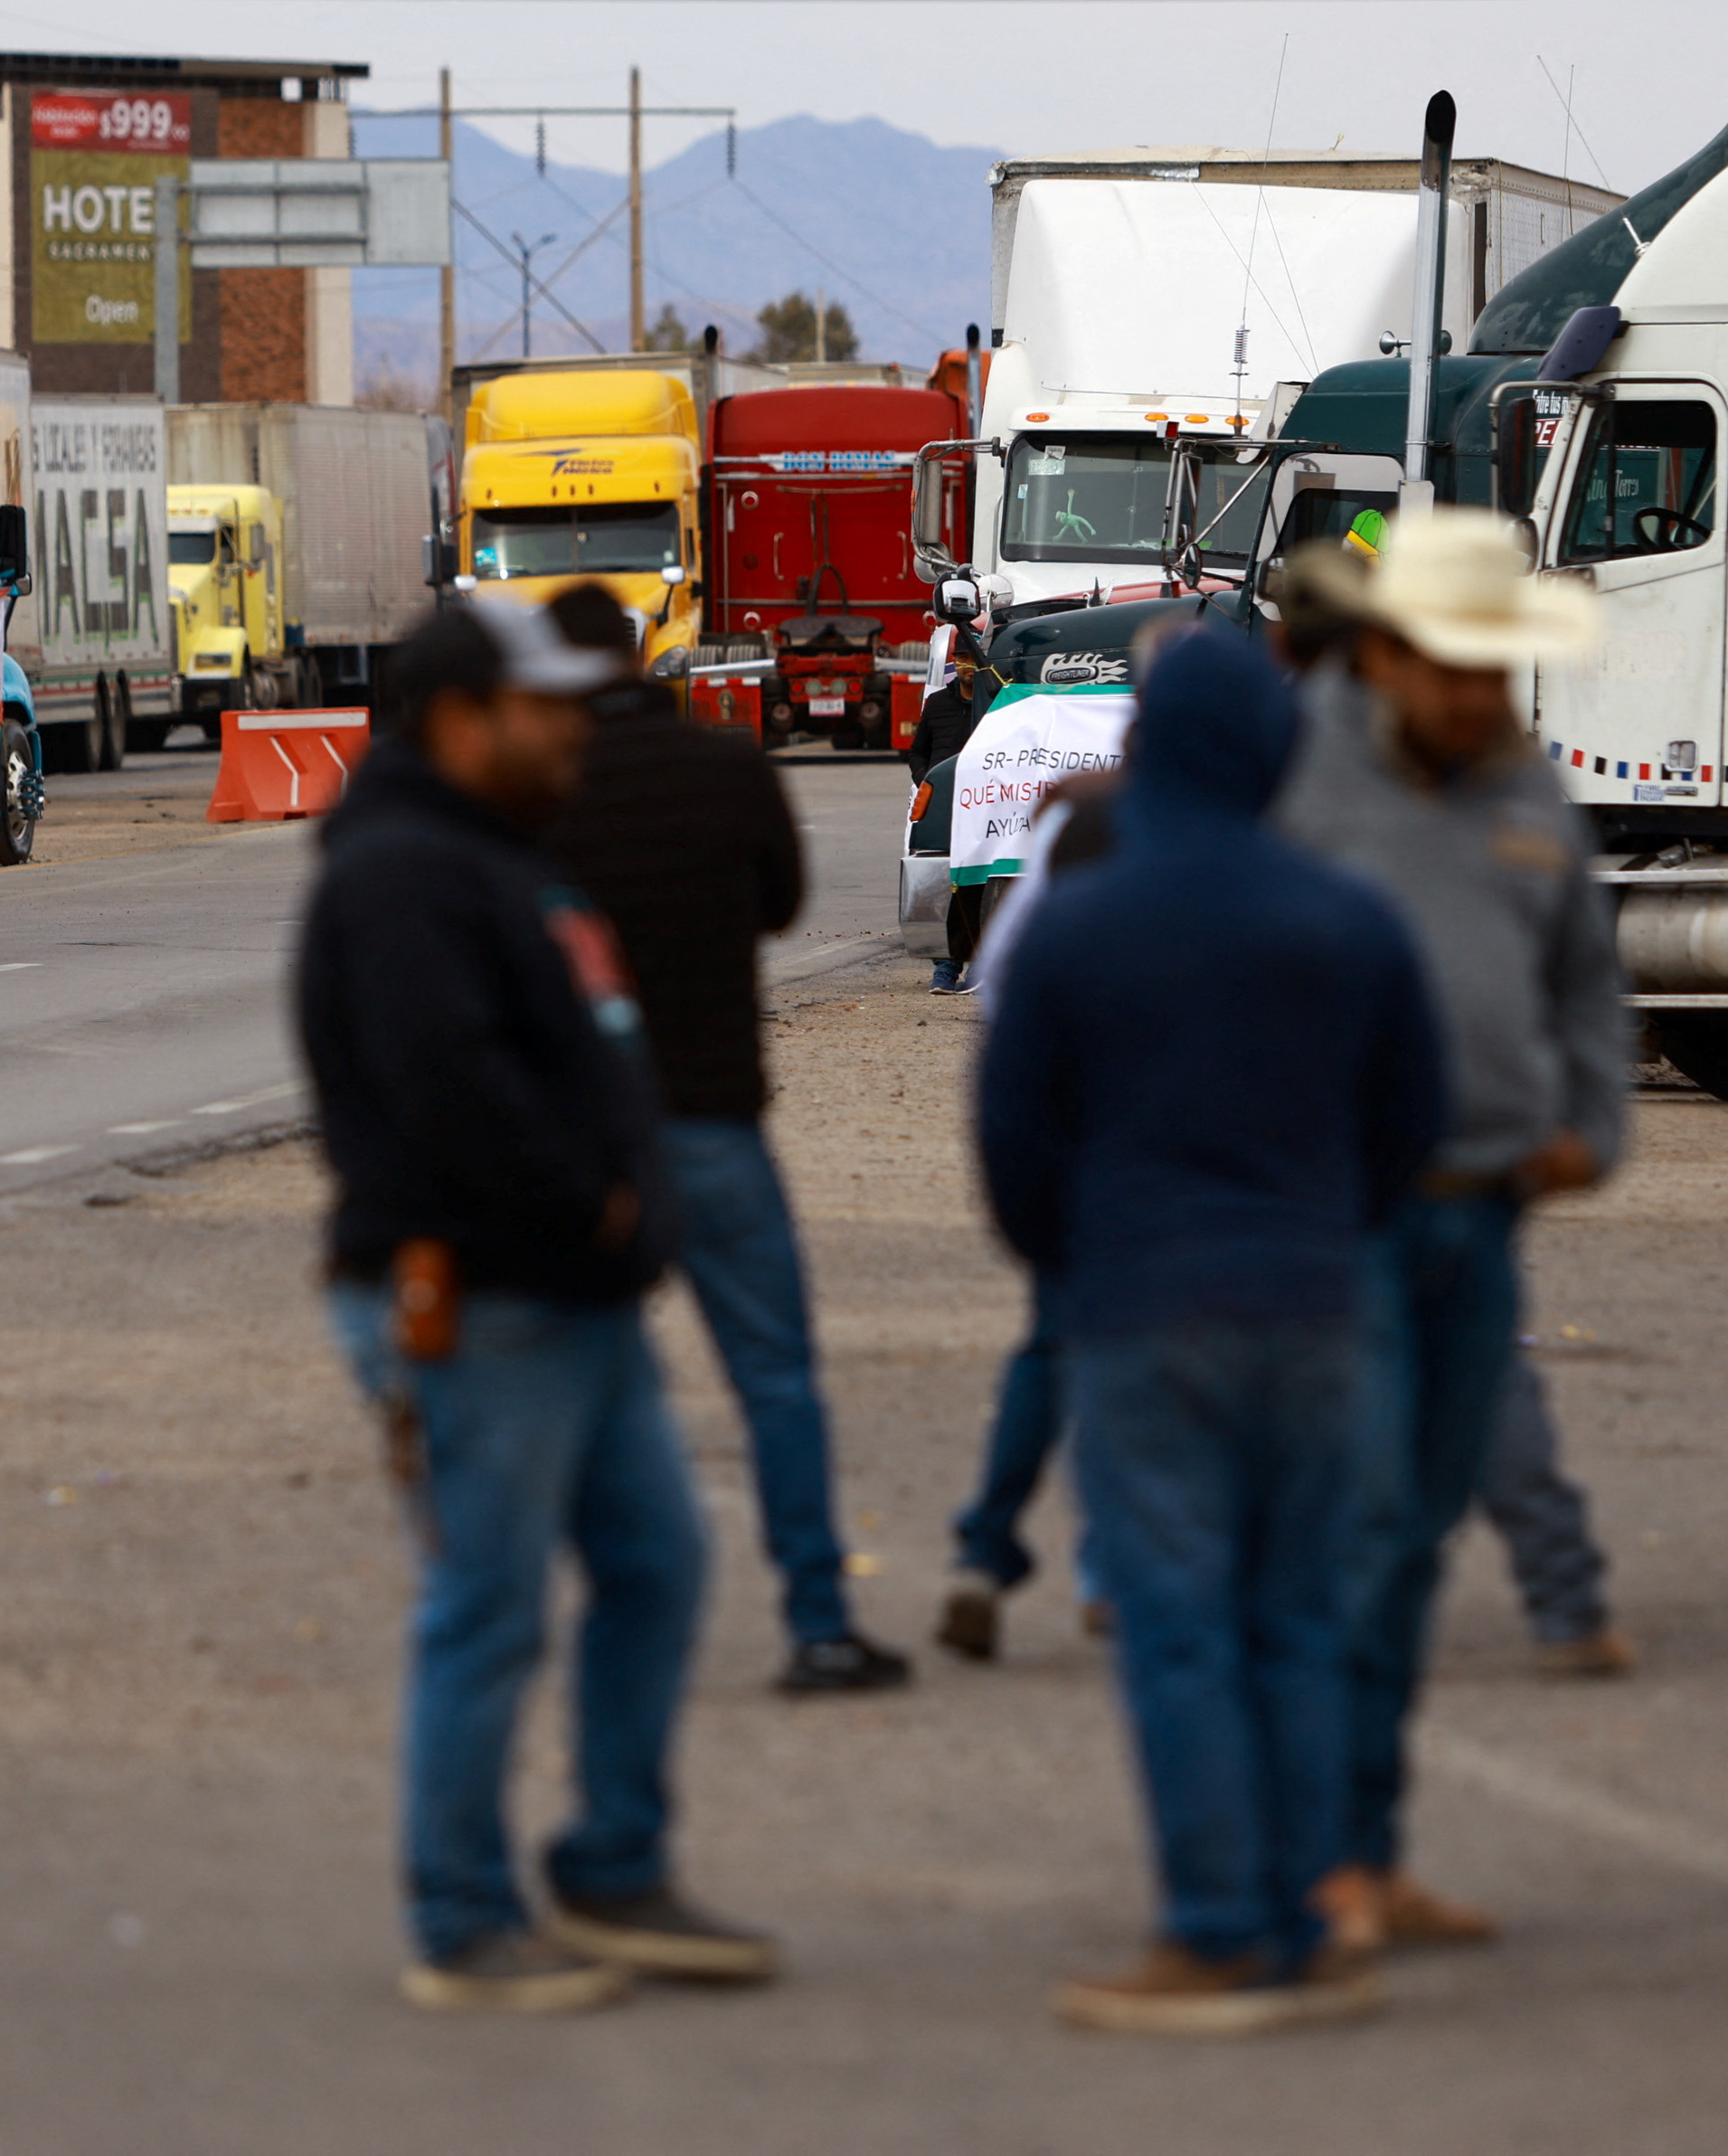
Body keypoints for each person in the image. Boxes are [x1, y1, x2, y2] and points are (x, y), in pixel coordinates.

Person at [296, 593, 774, 2015]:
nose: (575, 730)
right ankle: (462, 1915)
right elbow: (449, 1093)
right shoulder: (399, 877)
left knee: (659, 1566)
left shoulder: (497, 853)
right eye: (547, 708)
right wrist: (597, 1201)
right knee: (490, 1611)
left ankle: (614, 1866)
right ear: (460, 721)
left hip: (576, 1299)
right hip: (483, 1298)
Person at [980, 617, 1448, 2036]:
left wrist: (1076, 1258)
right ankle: (1318, 1915)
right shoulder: (1350, 916)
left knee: (1178, 1623)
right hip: (1315, 1306)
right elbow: (1409, 1124)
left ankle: (1217, 1929)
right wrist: (1329, 1232)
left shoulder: (1078, 919)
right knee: (1297, 1617)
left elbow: (1014, 1136)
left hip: (1141, 1304)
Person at [1271, 506, 1624, 1959]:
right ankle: (1315, 1860)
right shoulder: (1291, 783)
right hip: (1334, 1227)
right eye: (1459, 668)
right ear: (1391, 655)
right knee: (1350, 1535)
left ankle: (1368, 1845)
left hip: (1483, 1222)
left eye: (1502, 670)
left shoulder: (1526, 787)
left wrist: (1592, 1127)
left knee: (1411, 1543)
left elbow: (1586, 984)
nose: (1487, 697)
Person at [539, 582, 911, 1697]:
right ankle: (817, 1617)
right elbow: (782, 903)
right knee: (776, 1378)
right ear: (643, 653)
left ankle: (588, 1610)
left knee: (580, 1381)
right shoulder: (724, 768)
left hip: (585, 1137)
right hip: (710, 1114)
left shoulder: (539, 796)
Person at [937, 769, 1123, 1662]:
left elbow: (999, 980)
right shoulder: (1258, 832)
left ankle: (984, 1544)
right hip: (1187, 1146)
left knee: (1055, 1341)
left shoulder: (1078, 826)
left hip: (1075, 1130)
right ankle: (1105, 1568)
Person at [910, 622, 996, 993]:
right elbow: (917, 751)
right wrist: (926, 780)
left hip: (984, 810)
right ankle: (945, 968)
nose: (965, 666)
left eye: (971, 659)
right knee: (947, 887)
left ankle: (979, 964)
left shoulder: (996, 703)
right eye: (960, 658)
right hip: (945, 810)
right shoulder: (937, 704)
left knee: (982, 885)